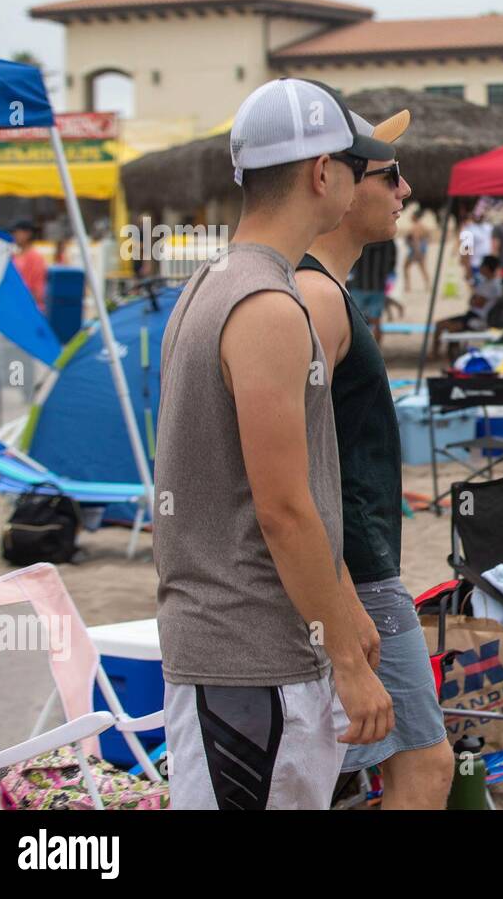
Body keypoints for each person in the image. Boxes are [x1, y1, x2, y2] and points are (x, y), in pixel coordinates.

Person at [154, 78, 396, 810]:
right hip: (252, 658)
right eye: (356, 165)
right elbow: (282, 509)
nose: (361, 182)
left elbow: (280, 489)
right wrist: (346, 661)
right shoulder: (266, 305)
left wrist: (345, 603)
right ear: (323, 173)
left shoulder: (213, 283)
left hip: (235, 655)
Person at [295, 109, 454, 810]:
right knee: (423, 762)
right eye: (390, 175)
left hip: (353, 562)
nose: (406, 188)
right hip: (354, 566)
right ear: (336, 181)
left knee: (358, 762)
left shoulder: (325, 291)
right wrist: (343, 600)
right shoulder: (316, 297)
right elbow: (287, 470)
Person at [431, 255, 503, 360]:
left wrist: (473, 298)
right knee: (445, 326)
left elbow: (477, 303)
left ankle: (437, 354)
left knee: (443, 326)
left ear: (486, 268)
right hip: (473, 315)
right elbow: (474, 300)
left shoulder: (491, 286)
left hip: (477, 318)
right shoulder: (488, 283)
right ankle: (449, 355)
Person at [10, 220, 47, 311]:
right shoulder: (14, 255)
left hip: (28, 307)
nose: (14, 236)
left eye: (17, 232)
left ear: (28, 234)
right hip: (16, 304)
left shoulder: (35, 257)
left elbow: (38, 289)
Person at [403, 205, 431, 293]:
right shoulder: (423, 226)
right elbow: (429, 236)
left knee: (405, 267)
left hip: (415, 250)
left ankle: (408, 286)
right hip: (422, 250)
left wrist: (417, 251)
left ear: (415, 217)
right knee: (423, 268)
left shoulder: (415, 227)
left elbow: (415, 239)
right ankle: (428, 285)